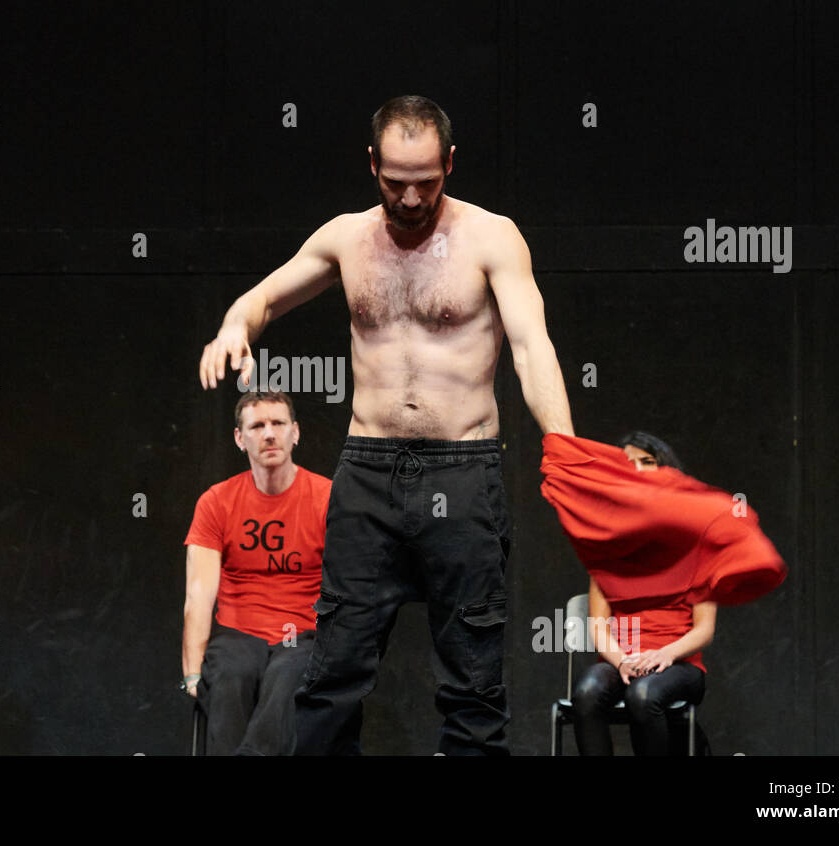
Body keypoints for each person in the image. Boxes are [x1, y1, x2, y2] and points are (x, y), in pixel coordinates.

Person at [198, 95, 575, 754]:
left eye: (426, 182)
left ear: (451, 164)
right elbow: (264, 297)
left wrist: (564, 445)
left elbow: (531, 345)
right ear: (372, 165)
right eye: (396, 182)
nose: (410, 198)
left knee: (474, 683)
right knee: (331, 676)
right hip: (367, 475)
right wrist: (236, 323)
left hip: (463, 473)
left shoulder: (492, 238)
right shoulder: (345, 238)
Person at [182, 391, 332, 754]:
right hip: (238, 634)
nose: (269, 434)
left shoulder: (327, 497)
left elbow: (349, 589)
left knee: (287, 677)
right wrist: (191, 670)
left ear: (295, 433)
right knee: (231, 676)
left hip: (299, 634)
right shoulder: (216, 501)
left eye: (278, 424)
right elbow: (199, 596)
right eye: (257, 426)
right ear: (240, 438)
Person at [571, 431, 713, 756]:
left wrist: (665, 654)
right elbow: (598, 626)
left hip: (678, 663)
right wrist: (622, 661)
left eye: (646, 462)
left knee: (644, 695)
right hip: (624, 658)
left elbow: (705, 629)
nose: (635, 469)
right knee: (587, 692)